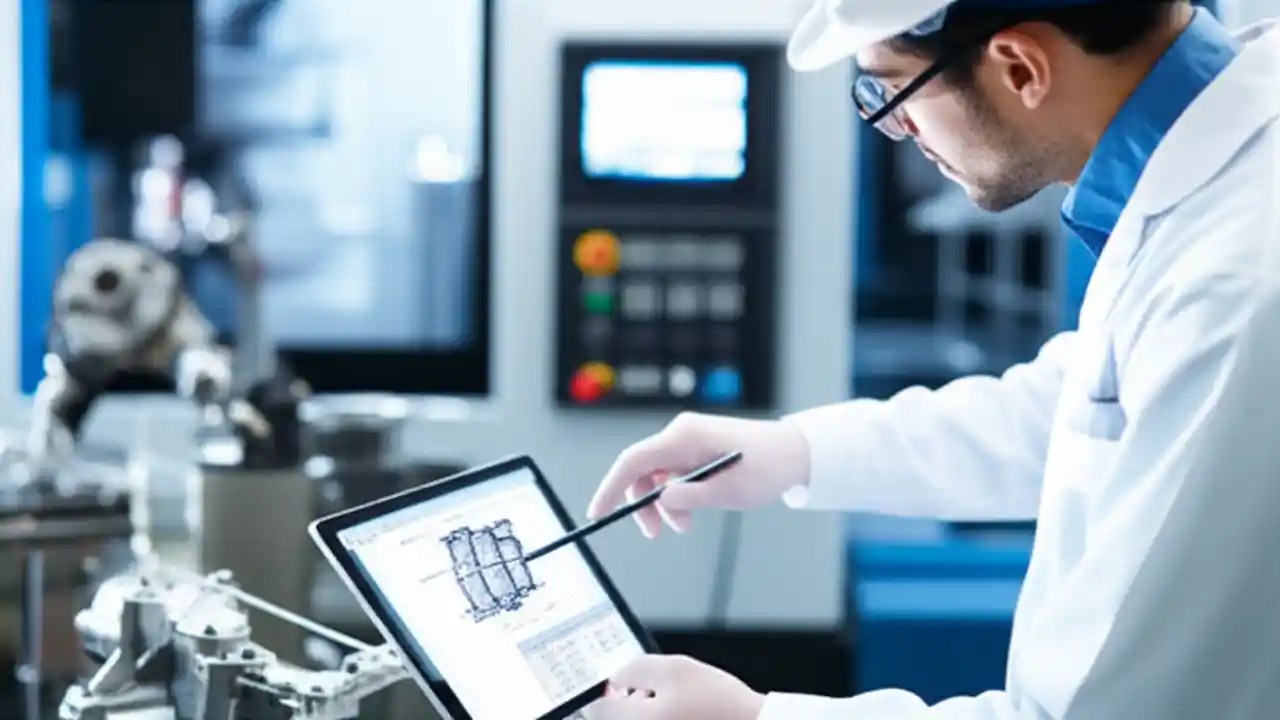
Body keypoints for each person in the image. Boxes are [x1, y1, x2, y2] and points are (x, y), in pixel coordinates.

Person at [584, 0, 1280, 718]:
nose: (898, 129)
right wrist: (797, 451)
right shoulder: (1206, 191)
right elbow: (1085, 408)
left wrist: (756, 716)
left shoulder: (1234, 285)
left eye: (894, 91)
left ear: (1020, 67)